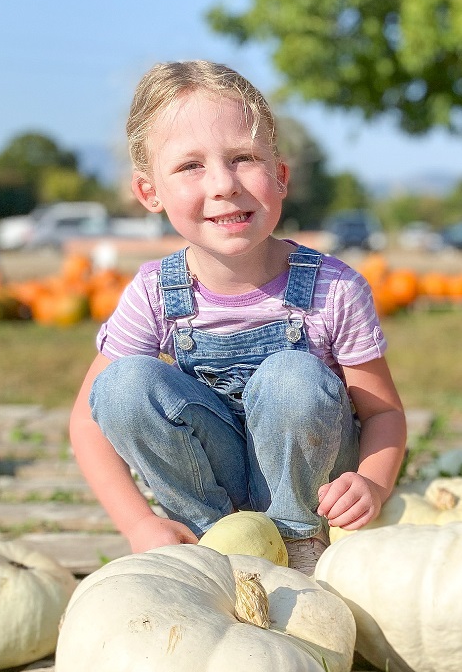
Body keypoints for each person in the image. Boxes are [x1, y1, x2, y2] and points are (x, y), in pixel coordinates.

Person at [70, 60, 406, 576]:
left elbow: (383, 413)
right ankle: (210, 550)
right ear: (149, 193)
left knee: (291, 377)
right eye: (190, 166)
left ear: (280, 175)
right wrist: (138, 523)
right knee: (122, 385)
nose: (223, 184)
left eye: (243, 158)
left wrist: (374, 483)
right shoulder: (155, 294)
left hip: (313, 492)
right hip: (214, 498)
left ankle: (298, 550)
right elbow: (88, 423)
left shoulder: (333, 289)